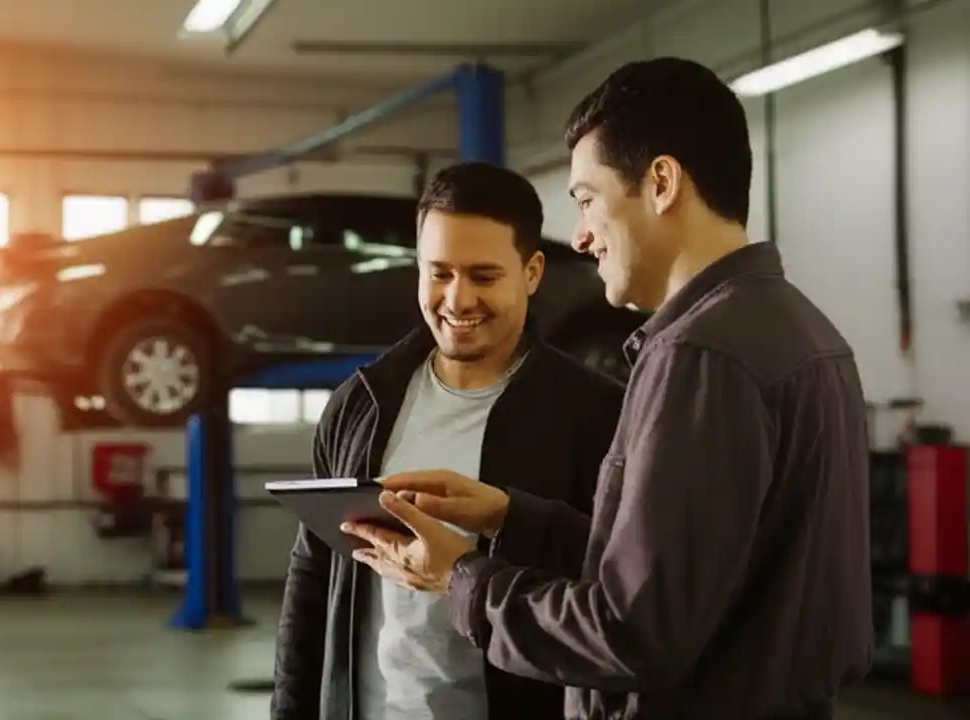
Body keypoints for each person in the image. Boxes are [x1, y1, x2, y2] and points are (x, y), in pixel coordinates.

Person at [344, 57, 874, 719]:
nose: (584, 235)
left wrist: (460, 579)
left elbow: (631, 632)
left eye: (588, 199)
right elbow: (687, 570)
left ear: (660, 182)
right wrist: (511, 518)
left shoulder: (702, 356)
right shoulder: (800, 330)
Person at [271, 162, 626, 720]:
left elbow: (618, 589)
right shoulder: (360, 404)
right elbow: (313, 579)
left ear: (532, 272)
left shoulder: (597, 415)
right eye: (439, 273)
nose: (457, 301)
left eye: (483, 277)